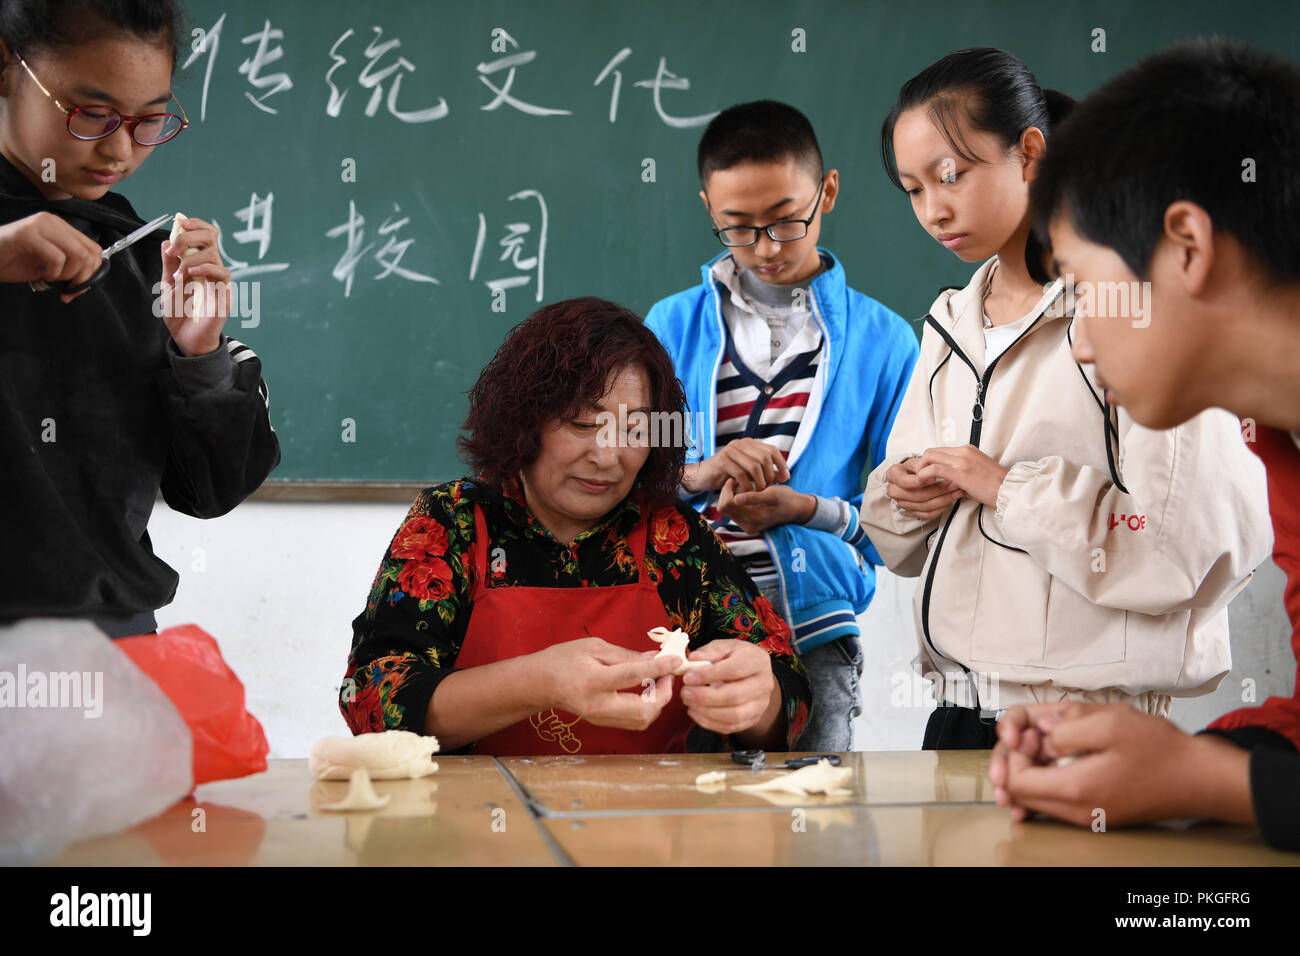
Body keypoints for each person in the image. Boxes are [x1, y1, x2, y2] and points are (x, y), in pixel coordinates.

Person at [859, 47, 1272, 750]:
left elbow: (1185, 546)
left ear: (1029, 152)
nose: (933, 209)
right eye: (912, 189)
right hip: (957, 717)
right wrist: (904, 497)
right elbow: (894, 542)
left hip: (1086, 724)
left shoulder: (1134, 311)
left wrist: (1005, 488)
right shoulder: (950, 322)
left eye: (951, 175)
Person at [990, 37, 1300, 851]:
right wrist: (1159, 764)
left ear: (1187, 247)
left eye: (1086, 291)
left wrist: (1204, 780)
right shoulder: (1281, 445)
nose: (1082, 344)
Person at [343, 298, 812, 756]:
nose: (608, 457)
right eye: (584, 423)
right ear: (523, 419)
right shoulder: (454, 521)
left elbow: (789, 697)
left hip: (654, 824)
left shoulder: (675, 537)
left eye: (635, 431)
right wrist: (540, 683)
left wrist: (758, 698)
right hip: (478, 822)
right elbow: (370, 698)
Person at [0, 0, 279, 638]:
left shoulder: (132, 253)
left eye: (150, 120)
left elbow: (209, 491)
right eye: (92, 115)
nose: (121, 149)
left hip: (110, 645)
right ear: (7, 66)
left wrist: (199, 353)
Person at [646, 100, 918, 752]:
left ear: (827, 192)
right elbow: (625, 469)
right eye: (737, 227)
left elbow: (902, 517)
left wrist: (808, 509)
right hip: (682, 623)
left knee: (815, 824)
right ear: (709, 208)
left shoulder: (884, 341)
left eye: (785, 221)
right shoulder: (668, 327)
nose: (765, 248)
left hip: (815, 625)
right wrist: (698, 473)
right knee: (684, 827)